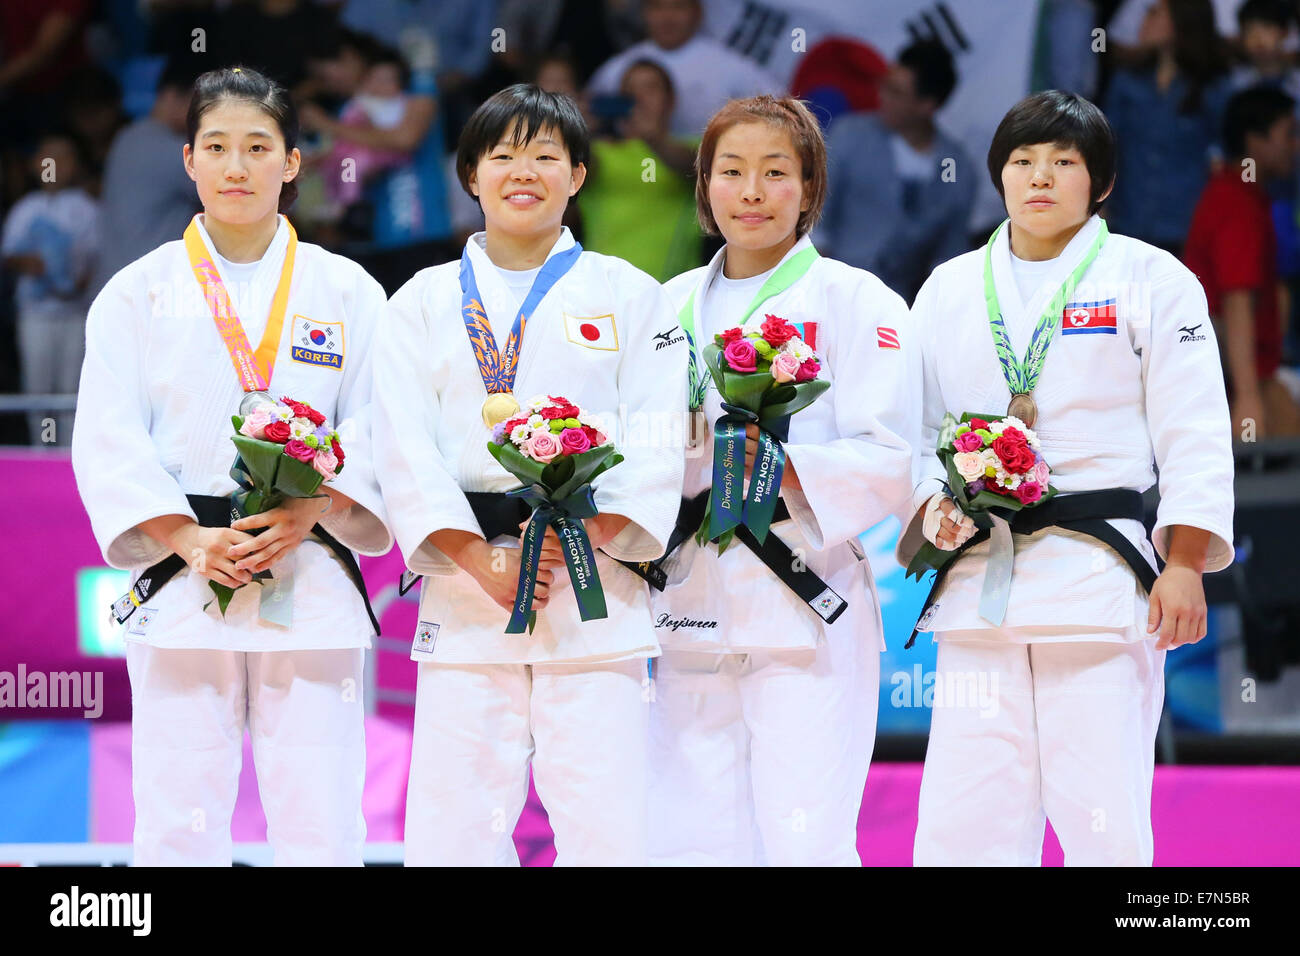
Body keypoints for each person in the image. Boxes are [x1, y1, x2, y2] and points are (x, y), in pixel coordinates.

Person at [897, 90, 1235, 866]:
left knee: (1103, 817)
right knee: (962, 825)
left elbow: (1194, 432)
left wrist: (1183, 562)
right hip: (979, 584)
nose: (1039, 177)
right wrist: (930, 508)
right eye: (1022, 161)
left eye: (1063, 162)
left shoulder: (1155, 278)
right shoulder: (948, 287)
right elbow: (912, 431)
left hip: (1098, 583)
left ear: (1102, 182)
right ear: (998, 174)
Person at [70, 66, 392, 866]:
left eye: (258, 147)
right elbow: (107, 435)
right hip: (186, 577)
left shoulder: (346, 289)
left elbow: (382, 426)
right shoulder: (135, 292)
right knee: (178, 822)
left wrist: (313, 509)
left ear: (292, 162)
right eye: (217, 146)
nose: (237, 166)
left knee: (320, 820)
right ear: (189, 159)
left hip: (308, 570)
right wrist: (185, 537)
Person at [372, 84, 686, 866]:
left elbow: (655, 440)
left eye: (546, 155)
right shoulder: (419, 301)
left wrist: (587, 537)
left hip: (595, 592)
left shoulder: (631, 295)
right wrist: (482, 560)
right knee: (455, 830)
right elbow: (402, 444)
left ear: (578, 176)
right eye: (503, 154)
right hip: (468, 590)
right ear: (471, 173)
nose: (525, 171)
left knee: (610, 826)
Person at [648, 95, 917, 866]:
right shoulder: (664, 309)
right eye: (731, 172)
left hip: (805, 603)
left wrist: (773, 463)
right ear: (704, 187)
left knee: (807, 843)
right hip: (687, 603)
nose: (753, 192)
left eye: (775, 172)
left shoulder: (856, 301)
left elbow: (889, 457)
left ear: (810, 189)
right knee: (688, 841)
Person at [816, 39, 975, 303]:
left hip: (900, 308)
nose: (883, 97)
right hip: (830, 291)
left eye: (897, 93)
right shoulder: (848, 135)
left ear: (928, 105)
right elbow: (815, 221)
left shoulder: (958, 170)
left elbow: (949, 257)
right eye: (885, 85)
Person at [1185, 84, 1300, 436]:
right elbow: (1236, 304)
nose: (1296, 146)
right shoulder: (1237, 204)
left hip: (1239, 375)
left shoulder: (1243, 195)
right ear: (1255, 142)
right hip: (1230, 382)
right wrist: (1248, 400)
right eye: (1289, 134)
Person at [1103, 0, 1232, 255]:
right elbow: (1104, 145)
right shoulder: (1126, 79)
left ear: (1181, 21)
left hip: (1186, 226)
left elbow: (1226, 153)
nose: (1144, 21)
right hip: (1127, 222)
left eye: (1154, 13)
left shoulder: (1213, 85)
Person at [1, 130, 99, 445]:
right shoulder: (26, 208)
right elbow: (9, 255)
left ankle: (68, 454)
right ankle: (42, 451)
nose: (53, 165)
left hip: (75, 316)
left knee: (71, 389)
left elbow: (96, 258)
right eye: (47, 158)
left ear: (75, 165)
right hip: (36, 316)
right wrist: (28, 262)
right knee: (39, 389)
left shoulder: (87, 208)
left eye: (62, 158)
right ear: (35, 164)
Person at [578, 59, 701, 281]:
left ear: (671, 101)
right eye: (630, 91)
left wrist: (653, 138)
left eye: (650, 89)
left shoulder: (694, 147)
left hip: (670, 295)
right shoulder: (599, 153)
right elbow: (576, 168)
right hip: (601, 296)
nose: (639, 98)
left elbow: (697, 169)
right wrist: (578, 129)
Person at [587, 0, 779, 138]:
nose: (667, 17)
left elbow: (779, 109)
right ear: (644, 13)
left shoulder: (733, 66)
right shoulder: (614, 69)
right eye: (658, 7)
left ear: (697, 13)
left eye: (678, 7)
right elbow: (588, 117)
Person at [92, 58, 203, 297]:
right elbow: (235, 190)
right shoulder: (172, 151)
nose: (204, 117)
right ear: (172, 95)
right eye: (200, 106)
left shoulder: (126, 137)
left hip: (115, 289)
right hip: (145, 298)